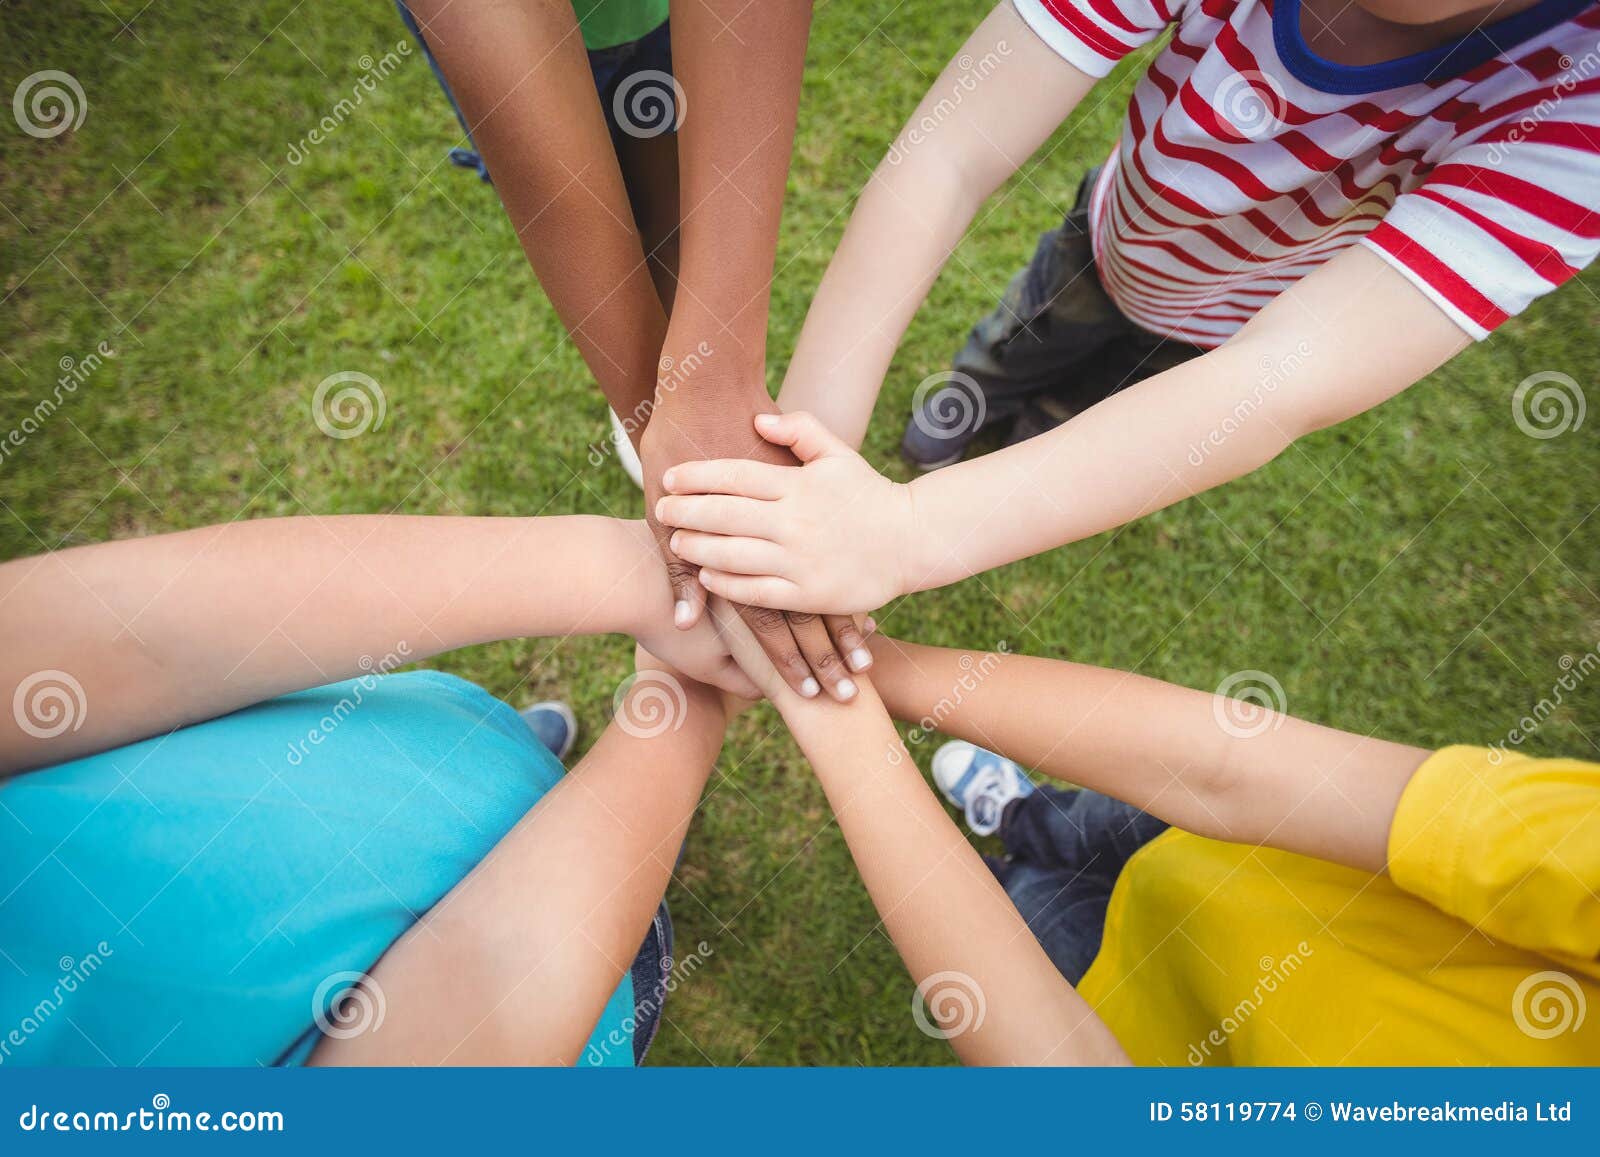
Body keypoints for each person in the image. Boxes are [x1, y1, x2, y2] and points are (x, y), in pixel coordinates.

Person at [650, 0, 1600, 615]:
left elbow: (1272, 383)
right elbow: (950, 154)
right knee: (1012, 347)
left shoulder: (1578, 98)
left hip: (1223, 328)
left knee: (1092, 411)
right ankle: (954, 423)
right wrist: (809, 444)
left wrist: (908, 534)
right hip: (1102, 239)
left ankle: (1016, 450)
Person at [0, 513, 753, 1065]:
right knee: (627, 920)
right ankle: (617, 848)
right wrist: (680, 703)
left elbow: (114, 639)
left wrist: (626, 570)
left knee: (482, 756)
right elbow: (482, 997)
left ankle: (522, 758)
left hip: (377, 752)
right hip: (548, 962)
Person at [714, 607, 1599, 1064]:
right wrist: (861, 663)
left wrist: (823, 695)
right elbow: (1233, 770)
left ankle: (992, 865)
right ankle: (1014, 815)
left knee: (1009, 908)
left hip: (1121, 1016)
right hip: (1213, 840)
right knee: (1065, 823)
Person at [398, 0, 869, 702]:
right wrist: (660, 421)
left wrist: (714, 378)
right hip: (497, 32)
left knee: (670, 197)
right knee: (599, 211)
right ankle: (659, 412)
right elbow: (558, 190)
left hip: (656, 18)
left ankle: (678, 397)